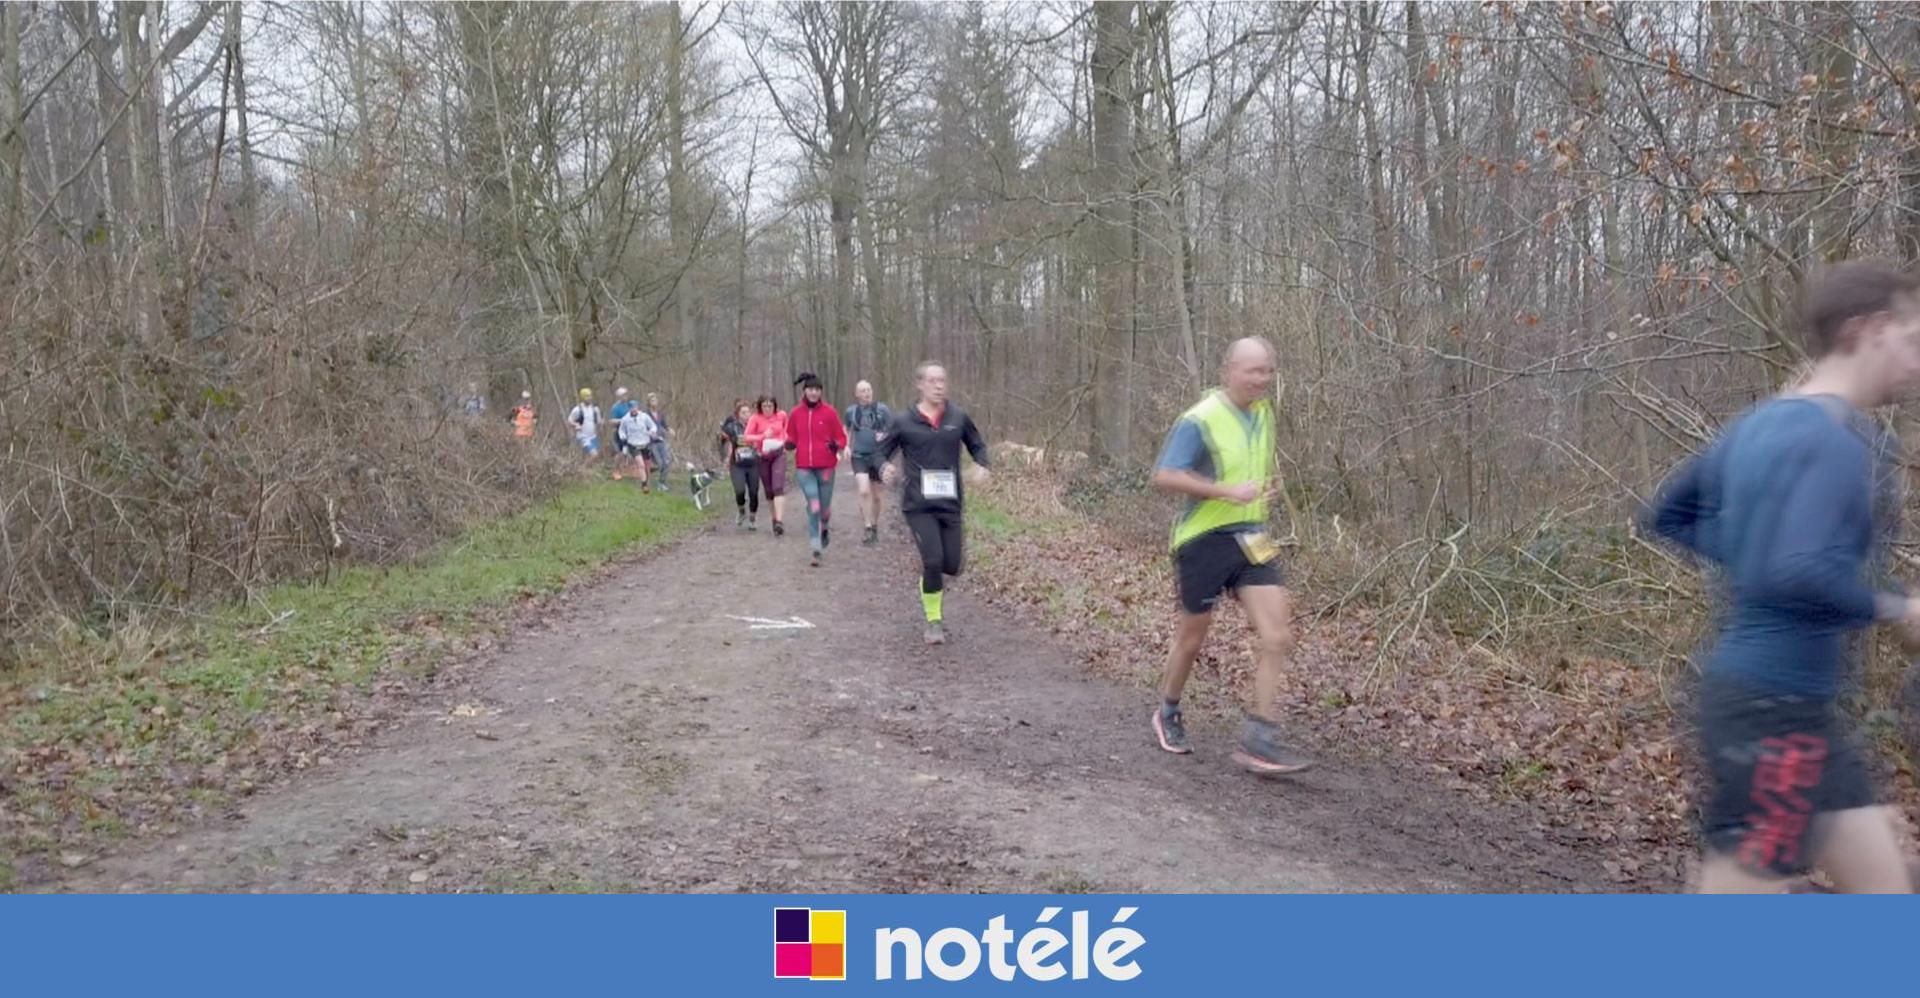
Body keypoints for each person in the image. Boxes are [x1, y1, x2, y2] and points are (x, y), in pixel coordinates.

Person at [1643, 260, 1920, 893]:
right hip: (1773, 716)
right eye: (1911, 340)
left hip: (1791, 709)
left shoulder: (1757, 425)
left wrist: (1751, 555)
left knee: (1887, 896)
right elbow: (1798, 572)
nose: (1916, 362)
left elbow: (1668, 513)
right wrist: (1895, 607)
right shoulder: (1835, 442)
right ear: (1868, 330)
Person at [1148, 337, 1309, 775]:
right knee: (1193, 637)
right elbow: (1163, 475)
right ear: (1229, 370)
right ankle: (1167, 710)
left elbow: (1250, 470)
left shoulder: (1265, 414)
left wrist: (1263, 489)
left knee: (1278, 635)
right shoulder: (1199, 419)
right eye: (1253, 371)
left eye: (1269, 371)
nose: (1262, 380)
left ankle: (1260, 736)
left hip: (1251, 538)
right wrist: (1226, 492)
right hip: (1203, 538)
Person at [879, 361, 989, 645]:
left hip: (950, 503)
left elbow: (977, 444)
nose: (939, 386)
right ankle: (934, 621)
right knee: (933, 560)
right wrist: (883, 468)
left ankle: (930, 579)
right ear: (920, 385)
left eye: (942, 380)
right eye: (933, 381)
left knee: (951, 565)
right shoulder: (904, 421)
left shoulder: (958, 417)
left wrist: (982, 464)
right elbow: (879, 452)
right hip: (918, 504)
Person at [788, 372, 849, 567]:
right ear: (804, 391)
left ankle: (824, 528)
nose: (813, 393)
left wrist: (836, 444)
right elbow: (790, 436)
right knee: (813, 504)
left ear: (821, 392)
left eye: (817, 389)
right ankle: (815, 545)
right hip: (804, 466)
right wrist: (788, 443)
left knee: (824, 509)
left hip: (826, 467)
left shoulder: (830, 413)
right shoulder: (796, 413)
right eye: (810, 389)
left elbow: (842, 438)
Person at [845, 380, 894, 545]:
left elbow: (892, 430)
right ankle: (867, 526)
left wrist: (885, 437)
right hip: (859, 455)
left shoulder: (882, 410)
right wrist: (846, 446)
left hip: (878, 456)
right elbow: (847, 429)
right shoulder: (851, 411)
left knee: (877, 496)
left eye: (869, 390)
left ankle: (874, 525)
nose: (867, 393)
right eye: (863, 391)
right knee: (864, 491)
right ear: (857, 394)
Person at [744, 395, 790, 536]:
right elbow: (746, 437)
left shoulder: (781, 415)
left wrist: (785, 441)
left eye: (770, 406)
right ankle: (774, 519)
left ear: (775, 406)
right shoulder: (755, 418)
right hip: (762, 456)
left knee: (778, 487)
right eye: (764, 406)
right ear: (760, 406)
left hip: (779, 454)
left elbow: (787, 431)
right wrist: (763, 436)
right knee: (769, 490)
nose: (768, 409)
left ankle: (780, 521)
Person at [719, 399, 762, 529]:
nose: (746, 414)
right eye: (743, 412)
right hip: (737, 464)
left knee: (754, 492)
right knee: (740, 490)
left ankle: (753, 518)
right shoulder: (732, 427)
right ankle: (741, 510)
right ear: (738, 414)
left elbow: (764, 437)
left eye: (748, 412)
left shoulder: (756, 426)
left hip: (753, 463)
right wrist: (724, 452)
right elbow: (721, 438)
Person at [618, 399, 660, 493]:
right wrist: (623, 437)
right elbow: (621, 431)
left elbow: (653, 426)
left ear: (638, 407)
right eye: (632, 408)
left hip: (645, 442)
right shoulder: (625, 419)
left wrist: (652, 432)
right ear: (629, 409)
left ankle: (647, 481)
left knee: (647, 465)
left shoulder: (644, 417)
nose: (634, 409)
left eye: (635, 407)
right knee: (640, 465)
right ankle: (644, 485)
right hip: (633, 444)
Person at [646, 392, 674, 493]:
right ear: (648, 403)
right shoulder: (646, 415)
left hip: (662, 441)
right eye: (652, 400)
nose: (654, 402)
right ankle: (648, 471)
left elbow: (665, 425)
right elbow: (643, 428)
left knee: (667, 462)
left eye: (655, 400)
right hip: (652, 443)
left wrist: (669, 430)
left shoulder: (660, 414)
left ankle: (661, 483)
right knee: (660, 463)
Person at [609, 387, 638, 481]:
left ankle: (632, 469)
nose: (626, 396)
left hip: (631, 432)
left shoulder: (630, 405)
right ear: (619, 396)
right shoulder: (616, 407)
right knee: (621, 452)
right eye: (623, 395)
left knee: (635, 450)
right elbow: (611, 421)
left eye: (626, 394)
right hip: (620, 432)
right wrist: (623, 420)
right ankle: (616, 471)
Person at [568, 388, 602, 458]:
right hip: (583, 437)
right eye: (587, 396)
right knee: (594, 455)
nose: (589, 398)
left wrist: (601, 423)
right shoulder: (577, 409)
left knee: (594, 456)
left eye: (590, 396)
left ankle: (585, 467)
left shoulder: (595, 409)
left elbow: (598, 422)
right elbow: (569, 420)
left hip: (593, 436)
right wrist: (576, 424)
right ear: (582, 398)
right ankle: (583, 468)